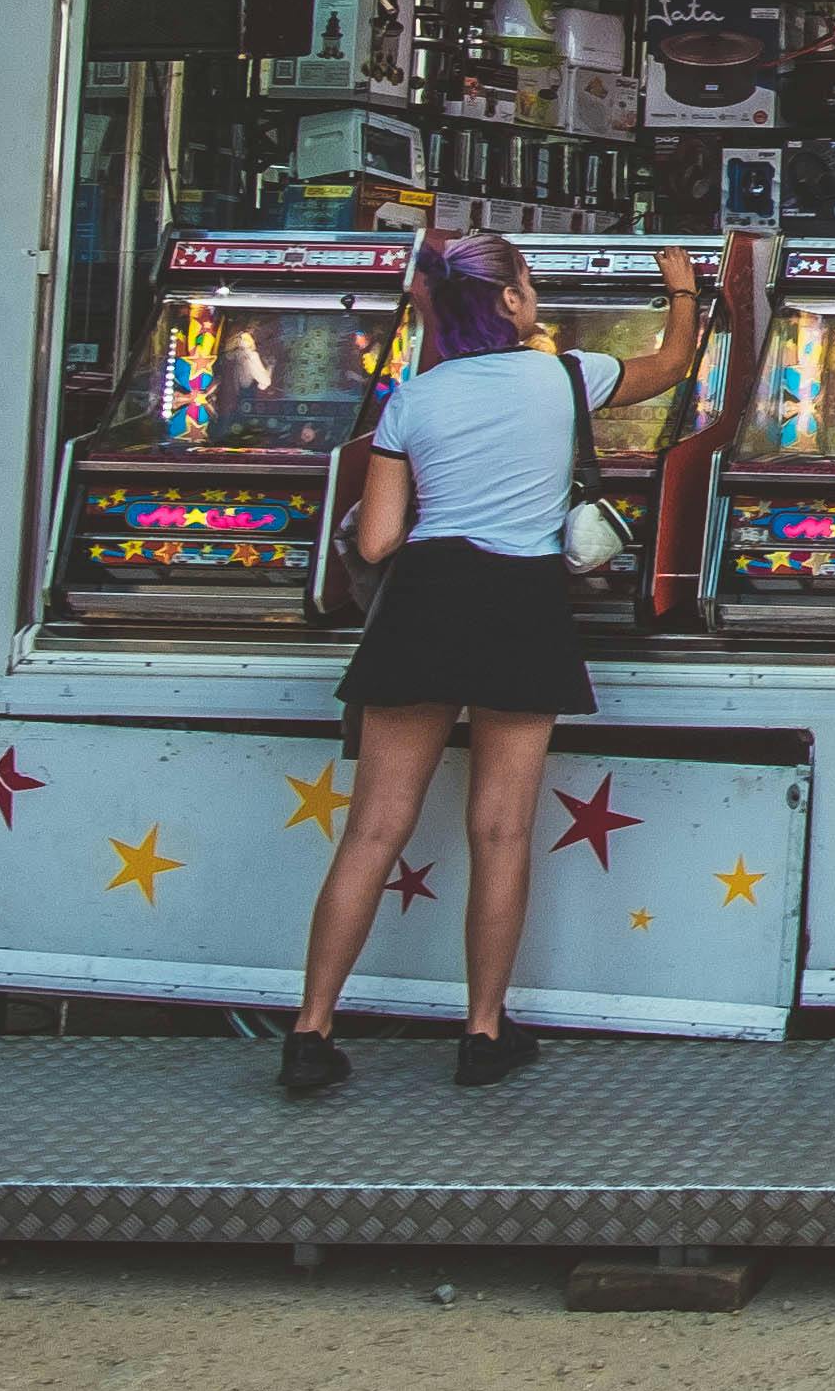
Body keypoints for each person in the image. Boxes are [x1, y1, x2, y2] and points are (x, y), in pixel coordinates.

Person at [281, 231, 706, 1098]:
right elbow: (668, 367)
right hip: (519, 604)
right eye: (527, 282)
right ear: (512, 302)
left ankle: (310, 1031)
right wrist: (685, 293)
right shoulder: (565, 377)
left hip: (424, 602)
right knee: (502, 829)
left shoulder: (414, 398)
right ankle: (482, 1033)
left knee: (371, 831)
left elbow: (376, 540)